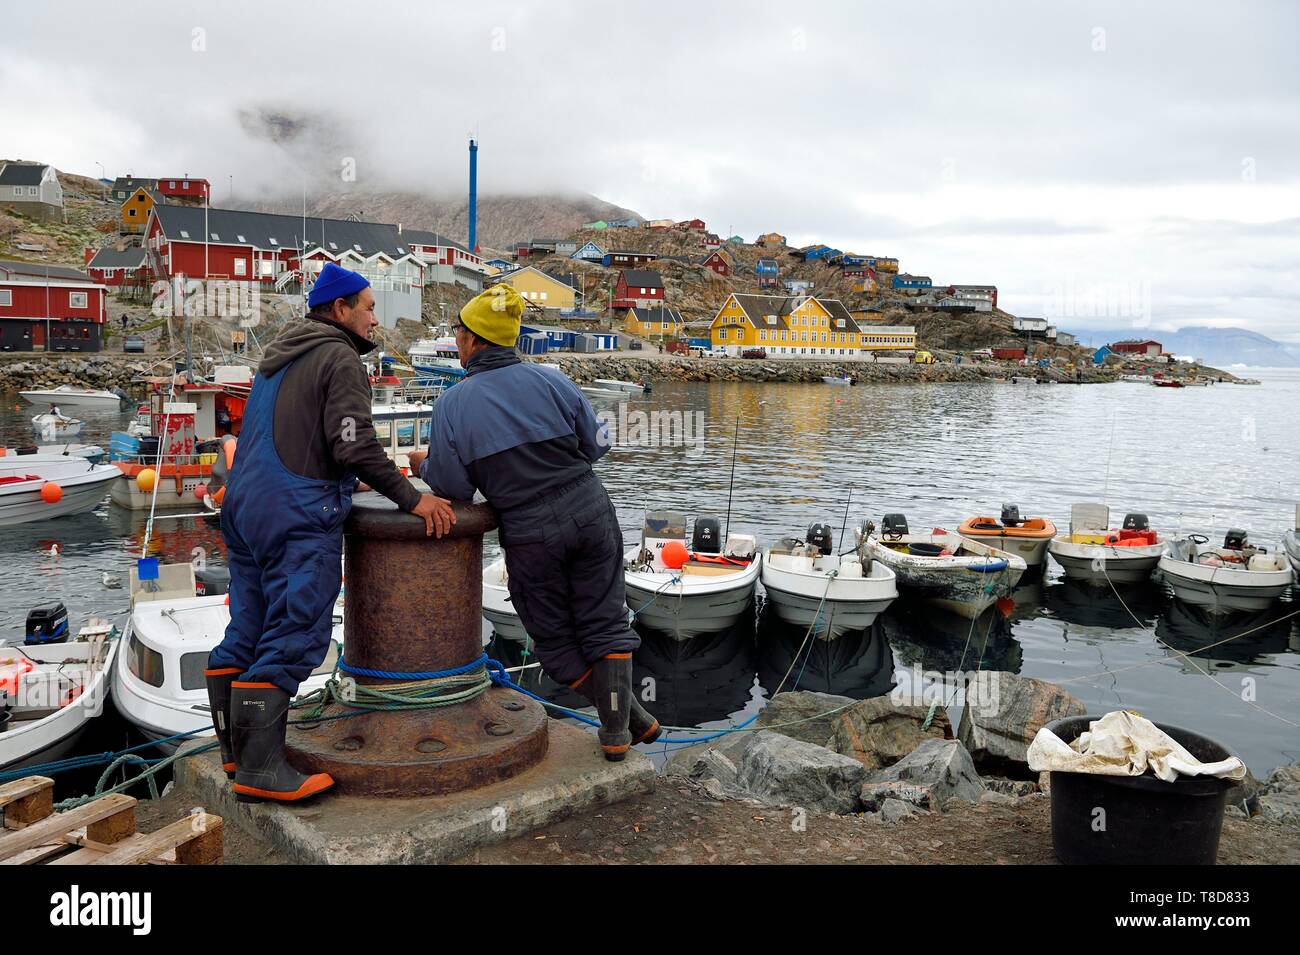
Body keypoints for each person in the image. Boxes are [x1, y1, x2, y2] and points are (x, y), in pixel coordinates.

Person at [205, 262, 455, 803]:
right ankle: (262, 771)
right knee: (295, 632)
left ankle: (236, 755)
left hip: (245, 509)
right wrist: (415, 497)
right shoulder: (338, 356)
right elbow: (354, 444)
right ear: (339, 309)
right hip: (297, 512)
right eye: (367, 306)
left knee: (247, 628)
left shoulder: (277, 358)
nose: (374, 318)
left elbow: (291, 435)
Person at [408, 285, 659, 760]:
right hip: (589, 508)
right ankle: (619, 731)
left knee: (556, 642)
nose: (456, 343)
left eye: (459, 334)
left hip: (529, 526)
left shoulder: (452, 404)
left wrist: (424, 463)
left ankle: (625, 720)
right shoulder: (554, 380)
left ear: (475, 340)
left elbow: (453, 488)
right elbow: (597, 444)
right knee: (606, 624)